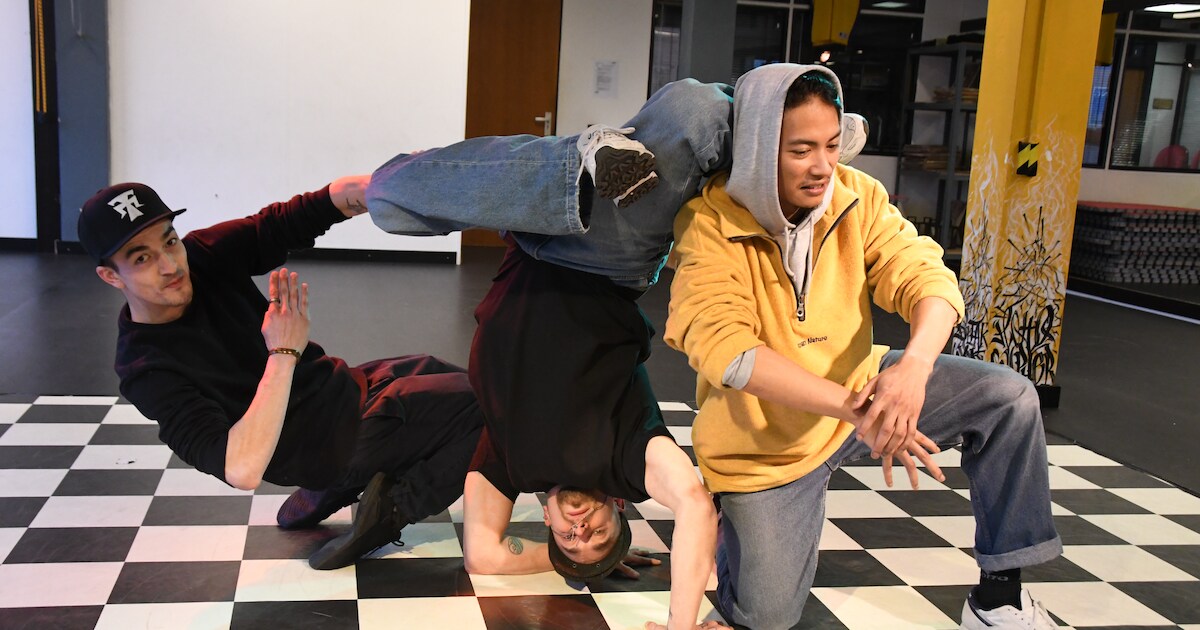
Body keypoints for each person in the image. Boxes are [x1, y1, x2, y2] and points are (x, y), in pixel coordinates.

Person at [361, 79, 869, 630]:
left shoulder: (510, 460)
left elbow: (484, 557)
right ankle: (796, 131)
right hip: (602, 257)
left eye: (566, 538)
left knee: (388, 199)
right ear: (617, 507)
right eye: (597, 533)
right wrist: (678, 622)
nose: (579, 528)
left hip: (531, 232)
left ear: (547, 520)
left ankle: (602, 151)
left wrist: (568, 564)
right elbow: (696, 509)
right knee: (694, 114)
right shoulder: (629, 460)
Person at [662, 64, 1063, 629]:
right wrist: (861, 410)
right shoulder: (709, 225)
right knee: (767, 617)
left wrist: (914, 370)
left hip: (862, 388)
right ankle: (737, 546)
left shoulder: (857, 197)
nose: (823, 166)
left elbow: (926, 276)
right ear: (757, 149)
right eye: (801, 150)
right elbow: (726, 351)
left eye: (830, 145)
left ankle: (999, 597)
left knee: (1010, 398)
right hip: (764, 447)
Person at [77, 179, 485, 571]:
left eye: (169, 240)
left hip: (345, 391)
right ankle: (390, 508)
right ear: (111, 276)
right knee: (490, 407)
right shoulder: (146, 368)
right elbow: (240, 469)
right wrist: (283, 352)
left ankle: (331, 490)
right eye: (142, 258)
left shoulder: (200, 256)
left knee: (439, 370)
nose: (169, 264)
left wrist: (364, 190)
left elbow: (282, 222)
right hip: (323, 445)